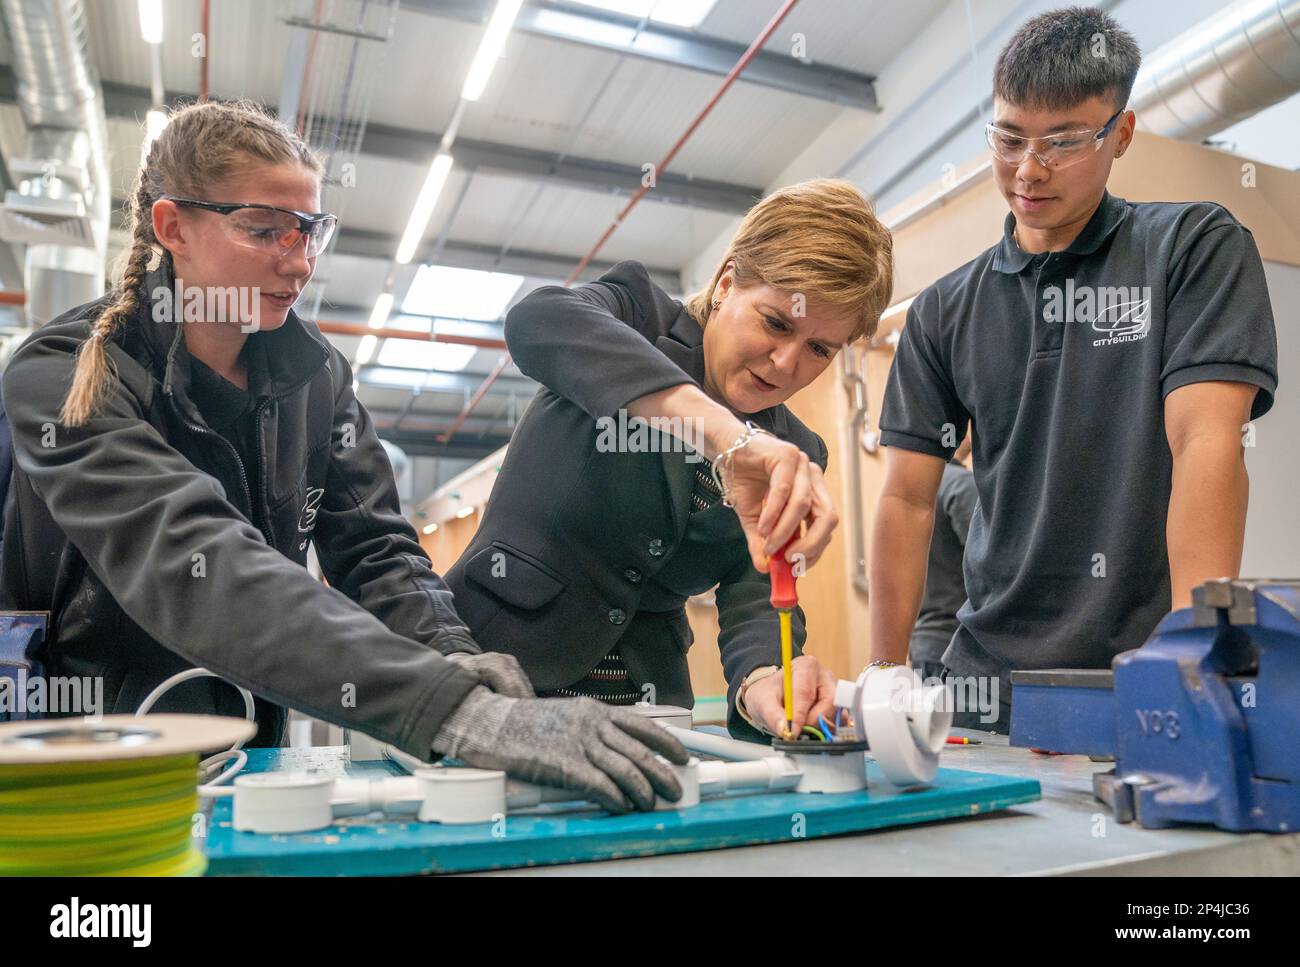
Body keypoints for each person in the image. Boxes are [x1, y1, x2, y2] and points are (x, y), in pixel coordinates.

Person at [0, 98, 686, 813]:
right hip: (85, 747)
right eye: (263, 230)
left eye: (310, 232)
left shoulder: (317, 375)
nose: (298, 263)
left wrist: (457, 659)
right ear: (175, 227)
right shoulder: (62, 373)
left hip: (246, 742)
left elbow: (378, 551)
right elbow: (192, 561)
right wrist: (449, 709)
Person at [869, 7, 1278, 732]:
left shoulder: (1192, 249)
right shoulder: (941, 312)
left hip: (1143, 676)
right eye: (1010, 137)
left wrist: (1192, 651)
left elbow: (1205, 446)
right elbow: (906, 501)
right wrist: (886, 675)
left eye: (1062, 141)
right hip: (984, 690)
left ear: (1120, 134)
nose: (1029, 169)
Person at [444, 179, 895, 740]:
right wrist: (727, 437)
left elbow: (758, 593)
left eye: (820, 350)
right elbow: (539, 320)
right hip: (493, 676)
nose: (784, 364)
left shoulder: (798, 453)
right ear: (728, 282)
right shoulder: (636, 317)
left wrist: (764, 681)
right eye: (777, 323)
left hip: (649, 711)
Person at [909, 435, 975, 684]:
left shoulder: (907, 493)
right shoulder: (961, 486)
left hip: (922, 647)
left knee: (929, 724)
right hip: (954, 651)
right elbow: (992, 570)